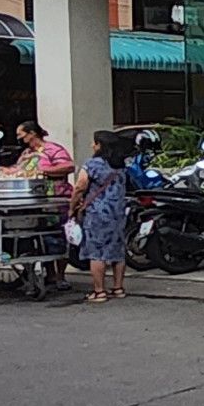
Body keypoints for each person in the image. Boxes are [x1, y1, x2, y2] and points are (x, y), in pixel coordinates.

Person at [69, 128, 132, 304]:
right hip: (118, 213)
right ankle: (118, 288)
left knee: (97, 252)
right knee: (117, 251)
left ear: (100, 146)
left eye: (94, 142)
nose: (92, 145)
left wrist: (72, 206)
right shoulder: (120, 165)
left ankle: (99, 291)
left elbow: (80, 186)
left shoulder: (92, 164)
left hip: (97, 213)